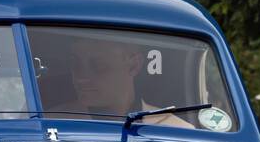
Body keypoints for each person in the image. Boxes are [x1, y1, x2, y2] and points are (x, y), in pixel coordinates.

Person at [54, 36, 193, 128]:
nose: (81, 77)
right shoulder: (54, 122)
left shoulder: (177, 128)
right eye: (75, 64)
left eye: (100, 66)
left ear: (134, 65)